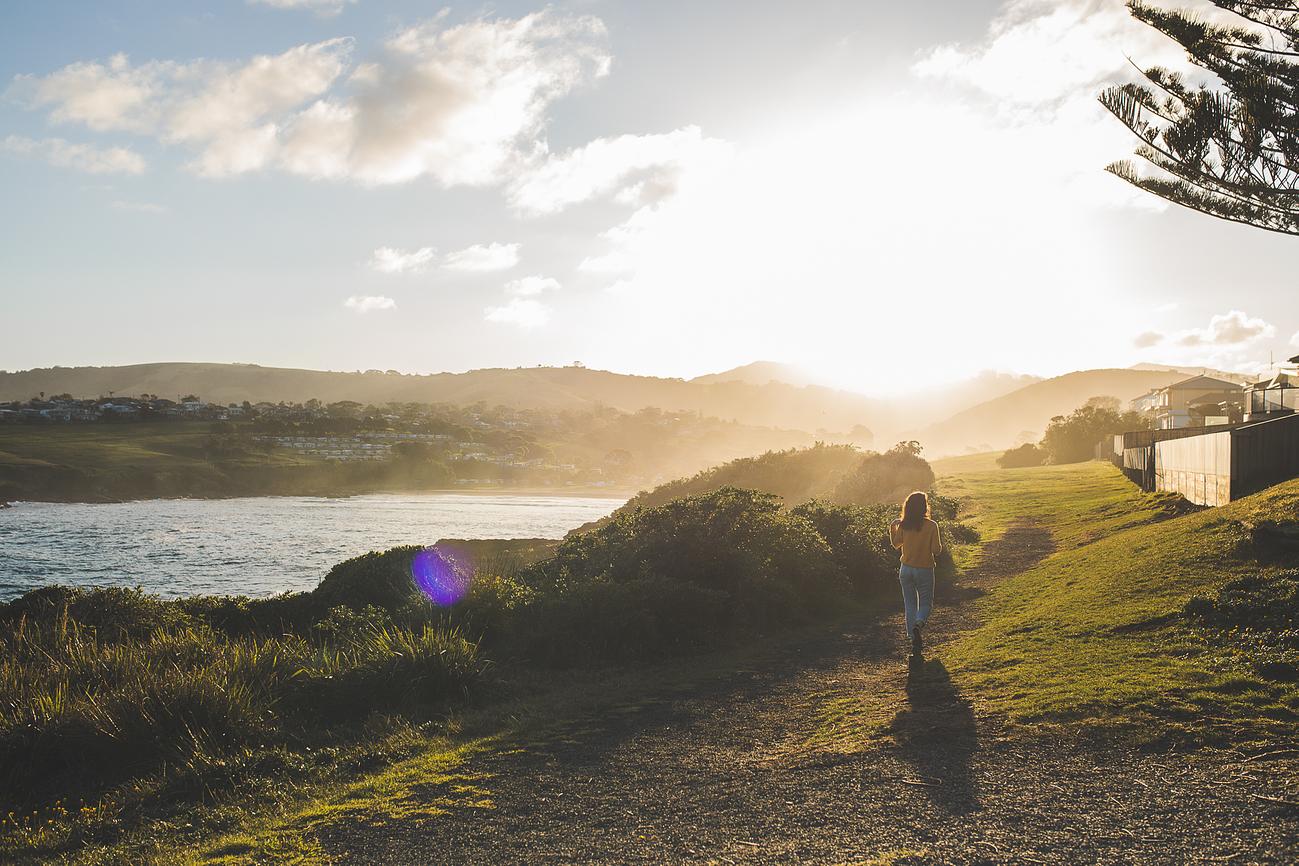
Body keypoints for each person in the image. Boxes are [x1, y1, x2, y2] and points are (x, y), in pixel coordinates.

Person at [889, 490, 943, 658]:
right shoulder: (932, 525)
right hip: (924, 569)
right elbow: (936, 550)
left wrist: (893, 528)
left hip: (905, 569)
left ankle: (913, 639)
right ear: (924, 507)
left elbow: (896, 544)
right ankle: (918, 625)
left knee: (910, 604)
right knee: (926, 603)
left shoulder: (904, 525)